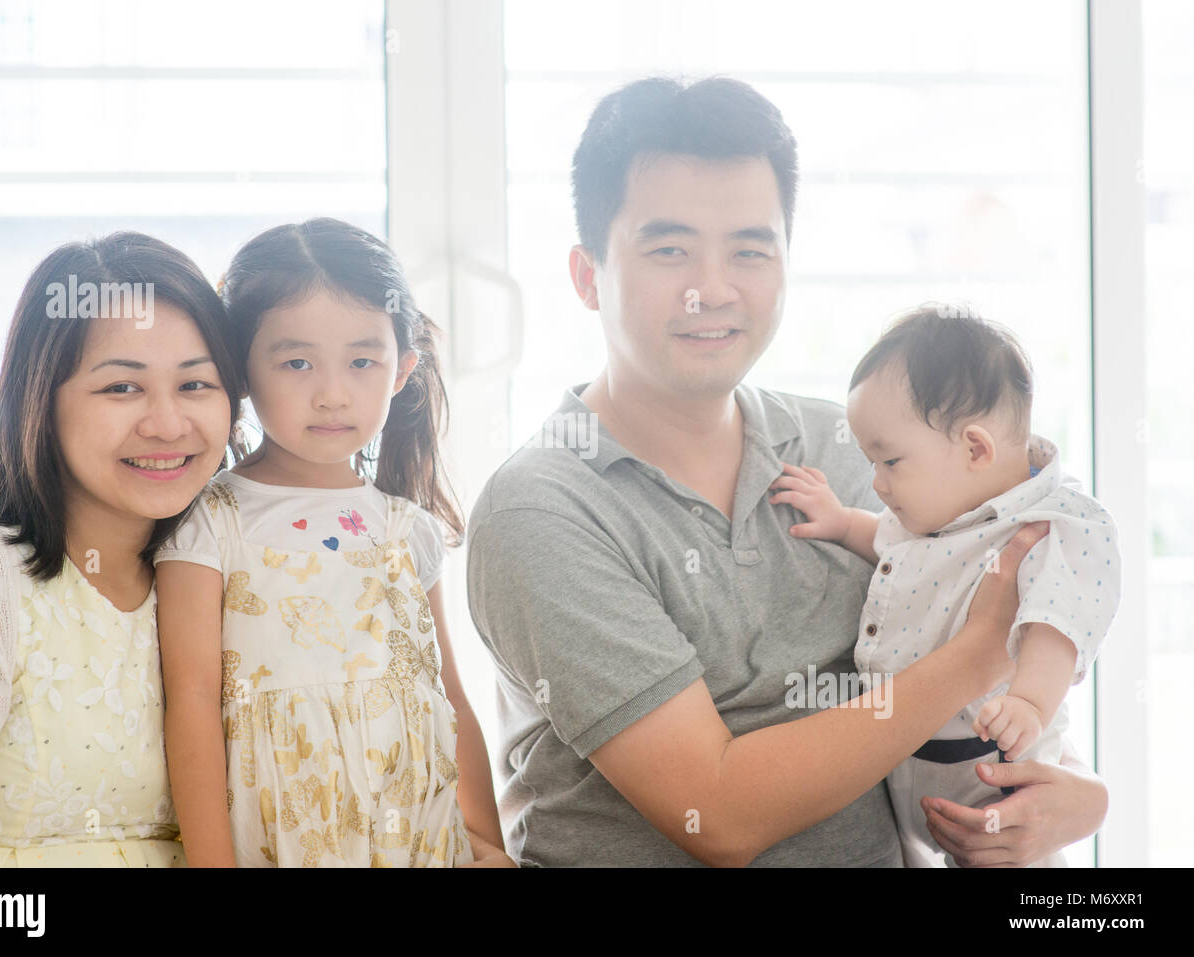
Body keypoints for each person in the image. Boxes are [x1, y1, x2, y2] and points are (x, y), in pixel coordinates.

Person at [465, 76, 1109, 867]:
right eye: (670, 250)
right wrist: (977, 655)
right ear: (586, 274)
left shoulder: (852, 446)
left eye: (750, 249)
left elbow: (1019, 621)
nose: (714, 288)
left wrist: (1075, 794)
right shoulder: (541, 511)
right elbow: (718, 813)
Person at [155, 218, 510, 867]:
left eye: (361, 360)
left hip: (422, 841)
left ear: (402, 367)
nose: (332, 392)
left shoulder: (409, 529)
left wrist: (484, 840)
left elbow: (449, 697)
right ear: (240, 369)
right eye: (296, 362)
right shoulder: (211, 521)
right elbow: (192, 705)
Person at [0, 232, 244, 866]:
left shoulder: (228, 573)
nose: (167, 424)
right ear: (40, 401)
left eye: (196, 385)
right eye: (121, 389)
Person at [768, 305, 1121, 866]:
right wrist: (840, 521)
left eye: (889, 462)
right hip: (907, 765)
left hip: (990, 769)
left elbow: (1056, 624)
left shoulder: (1053, 526)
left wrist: (1029, 701)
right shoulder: (938, 511)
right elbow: (887, 543)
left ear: (975, 449)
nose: (877, 484)